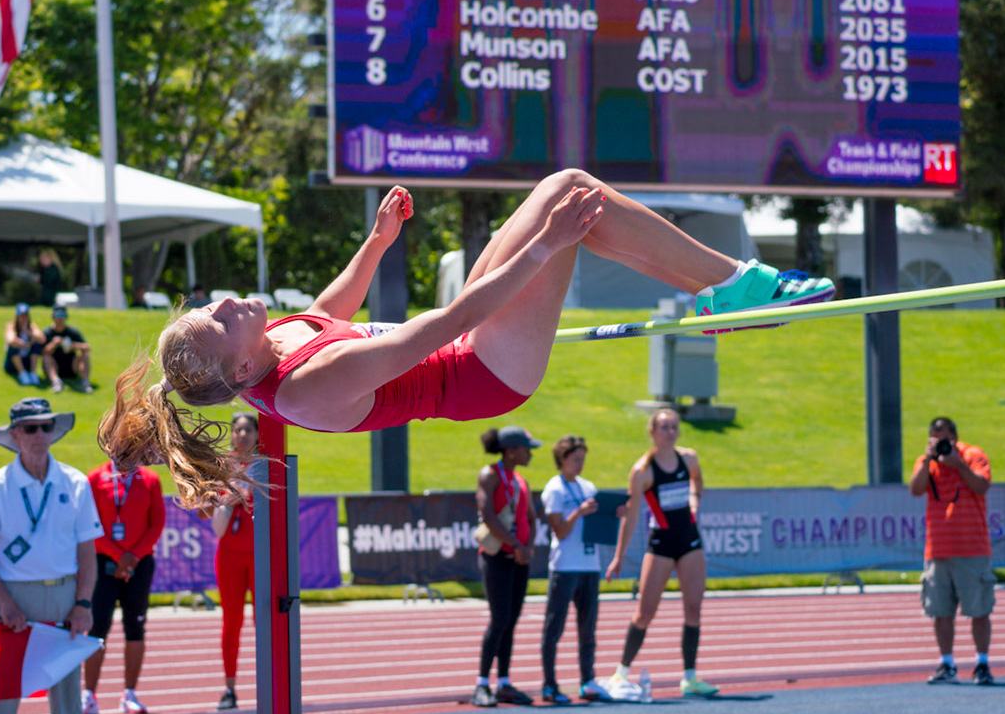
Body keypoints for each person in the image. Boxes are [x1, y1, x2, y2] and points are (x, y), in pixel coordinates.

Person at [101, 172, 832, 507]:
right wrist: (541, 252)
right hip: (485, 368)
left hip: (469, 338)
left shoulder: (274, 343)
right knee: (563, 206)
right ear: (238, 361)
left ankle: (728, 291)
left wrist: (378, 242)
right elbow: (439, 326)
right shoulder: (303, 389)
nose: (229, 300)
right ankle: (735, 286)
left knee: (574, 193)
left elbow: (329, 308)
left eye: (216, 302)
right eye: (221, 316)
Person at [0, 399, 102, 714]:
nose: (40, 434)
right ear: (14, 434)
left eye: (46, 426)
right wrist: (6, 602)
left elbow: (88, 551)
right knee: (2, 690)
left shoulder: (75, 482)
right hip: (14, 596)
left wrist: (84, 602)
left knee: (68, 693)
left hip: (64, 595)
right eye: (30, 428)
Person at [605, 407, 718, 700]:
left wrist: (694, 503)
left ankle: (690, 678)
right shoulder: (643, 470)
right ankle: (621, 671)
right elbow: (630, 517)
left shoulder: (688, 457)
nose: (670, 432)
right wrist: (619, 556)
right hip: (662, 543)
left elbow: (698, 482)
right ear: (652, 432)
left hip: (689, 540)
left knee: (693, 608)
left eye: (674, 427)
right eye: (664, 427)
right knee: (645, 612)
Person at [81, 430, 167, 714]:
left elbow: (156, 524)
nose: (124, 450)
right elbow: (90, 524)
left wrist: (133, 558)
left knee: (135, 627)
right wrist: (120, 557)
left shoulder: (150, 479)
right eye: (119, 444)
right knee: (97, 628)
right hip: (105, 562)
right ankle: (89, 694)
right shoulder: (95, 478)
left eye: (131, 445)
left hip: (139, 564)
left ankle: (129, 693)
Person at [911, 416, 995, 685]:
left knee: (979, 610)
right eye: (937, 440)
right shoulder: (927, 462)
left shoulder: (973, 455)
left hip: (972, 548)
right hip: (938, 549)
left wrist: (958, 464)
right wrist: (928, 460)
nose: (942, 445)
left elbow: (981, 486)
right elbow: (915, 489)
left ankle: (982, 663)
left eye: (946, 439)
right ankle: (946, 663)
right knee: (940, 612)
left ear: (955, 438)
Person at [540, 433, 613, 704]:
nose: (580, 464)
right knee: (554, 626)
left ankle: (588, 680)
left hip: (589, 564)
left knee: (588, 627)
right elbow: (559, 531)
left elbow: (600, 526)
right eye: (575, 459)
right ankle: (549, 684)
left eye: (583, 459)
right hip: (565, 565)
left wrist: (613, 513)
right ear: (562, 459)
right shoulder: (555, 489)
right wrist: (578, 512)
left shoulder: (588, 486)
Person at [471, 425, 539, 708]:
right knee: (499, 619)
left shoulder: (520, 480)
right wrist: (514, 544)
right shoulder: (490, 475)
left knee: (510, 621)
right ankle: (482, 684)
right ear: (511, 451)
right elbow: (487, 514)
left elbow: (532, 518)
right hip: (497, 557)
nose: (530, 454)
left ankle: (505, 683)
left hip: (519, 558)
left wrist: (528, 547)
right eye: (526, 449)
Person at [210, 412, 266, 711]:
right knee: (231, 622)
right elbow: (215, 525)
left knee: (264, 622)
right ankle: (229, 688)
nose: (242, 435)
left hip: (260, 555)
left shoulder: (265, 467)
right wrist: (227, 501)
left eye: (247, 430)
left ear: (257, 435)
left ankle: (267, 684)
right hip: (229, 555)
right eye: (237, 430)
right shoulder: (222, 467)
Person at [43, 306, 94, 394]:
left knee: (85, 353)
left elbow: (87, 346)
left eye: (62, 316)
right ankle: (56, 382)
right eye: (58, 316)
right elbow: (43, 352)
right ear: (53, 317)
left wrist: (74, 346)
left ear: (66, 317)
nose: (60, 319)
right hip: (55, 366)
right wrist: (54, 344)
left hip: (72, 365)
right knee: (46, 356)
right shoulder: (48, 332)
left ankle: (85, 382)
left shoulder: (72, 331)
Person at [3, 303, 47, 387]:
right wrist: (22, 343)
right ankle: (22, 374)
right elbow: (10, 340)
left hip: (27, 361)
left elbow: (42, 339)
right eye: (21, 316)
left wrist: (28, 332)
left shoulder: (32, 327)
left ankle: (32, 373)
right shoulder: (12, 326)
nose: (23, 319)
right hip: (12, 364)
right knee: (14, 346)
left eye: (25, 316)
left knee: (36, 345)